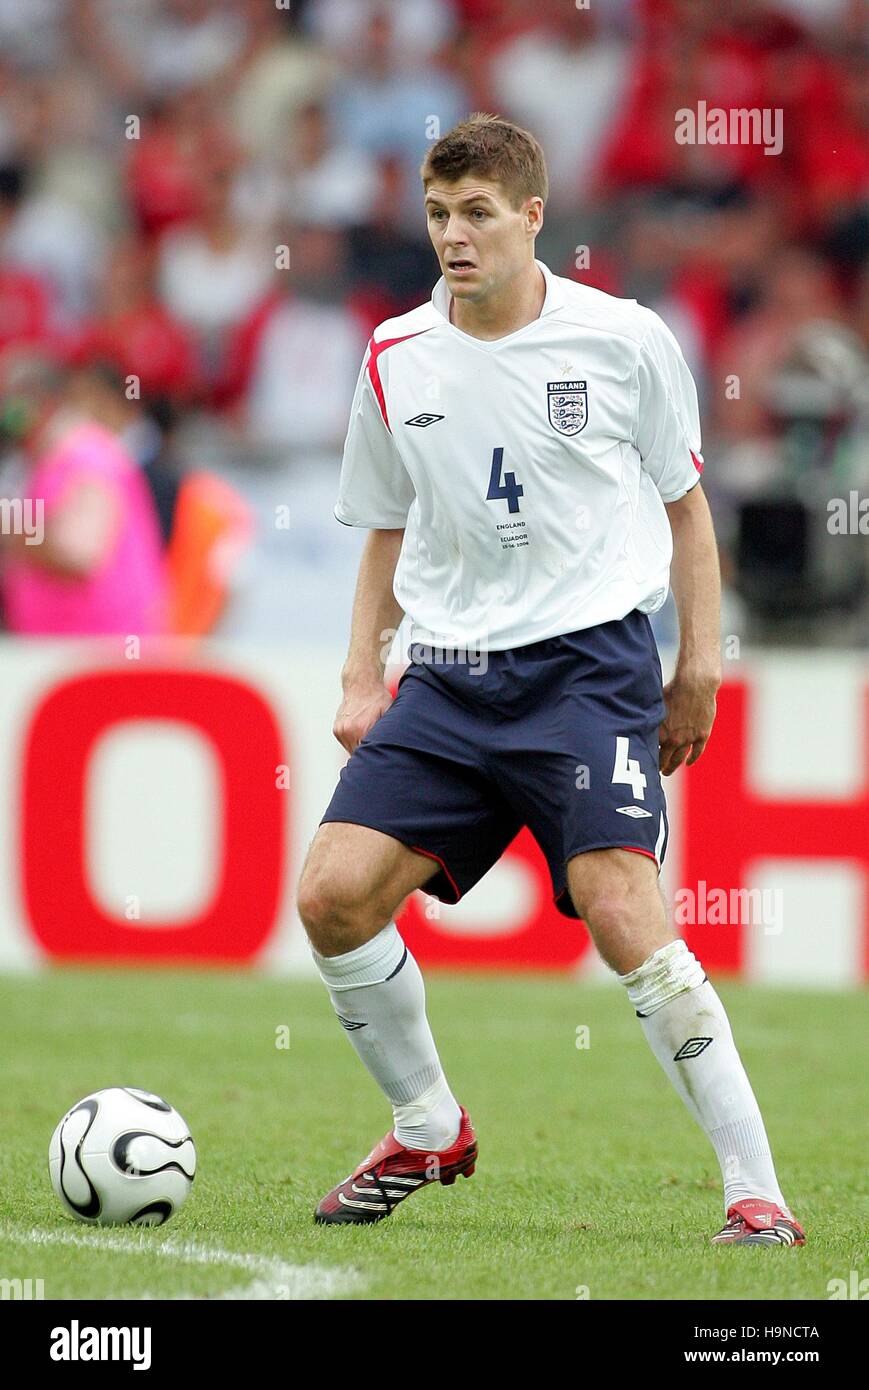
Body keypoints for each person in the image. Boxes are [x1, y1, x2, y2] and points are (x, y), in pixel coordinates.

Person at [296, 114, 805, 1247]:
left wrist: (701, 661)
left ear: (533, 217)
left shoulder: (623, 340)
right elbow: (383, 524)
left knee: (623, 910)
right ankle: (427, 1124)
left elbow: (684, 507)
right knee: (330, 895)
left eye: (476, 213)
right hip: (447, 671)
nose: (452, 237)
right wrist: (357, 672)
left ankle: (752, 1191)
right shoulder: (394, 354)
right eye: (437, 215)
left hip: (587, 664)